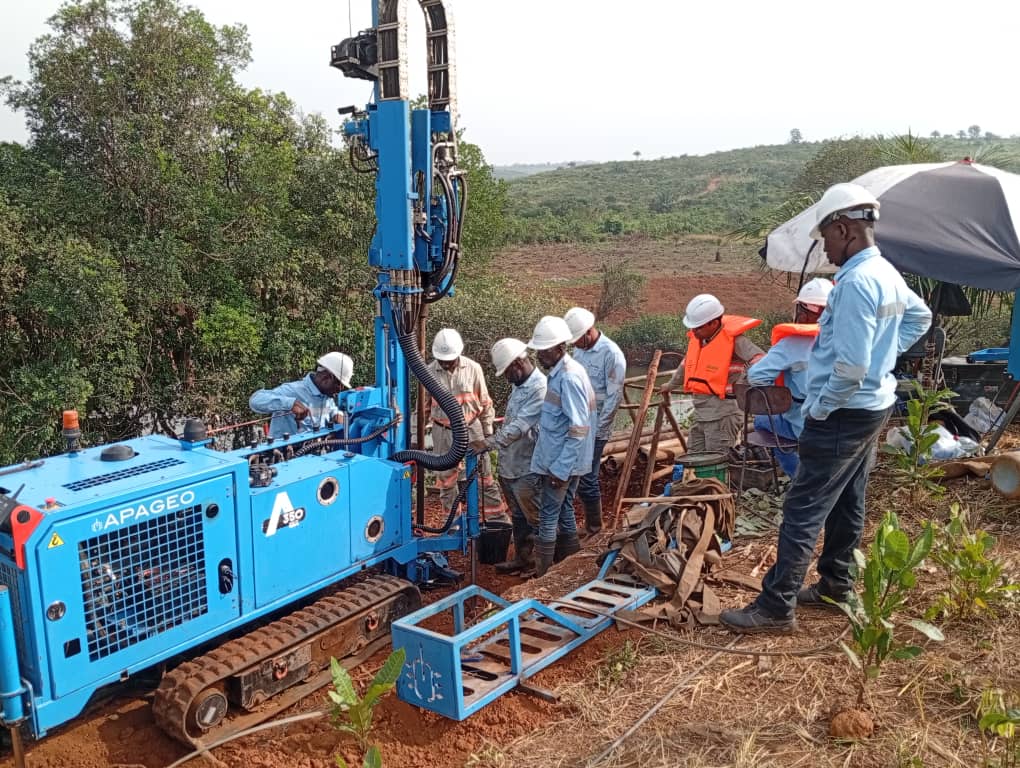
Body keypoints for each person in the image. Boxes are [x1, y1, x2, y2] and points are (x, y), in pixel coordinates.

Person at [720, 183, 932, 634]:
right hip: (872, 406)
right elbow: (920, 317)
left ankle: (775, 607)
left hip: (842, 412)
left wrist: (821, 406)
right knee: (848, 499)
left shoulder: (855, 283)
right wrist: (885, 357)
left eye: (826, 239)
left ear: (844, 229)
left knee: (803, 507)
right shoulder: (886, 271)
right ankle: (837, 585)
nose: (826, 251)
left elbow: (851, 367)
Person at [527, 316, 597, 577]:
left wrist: (560, 469)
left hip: (562, 462)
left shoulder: (568, 378)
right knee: (565, 508)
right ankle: (569, 566)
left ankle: (543, 575)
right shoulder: (563, 373)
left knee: (548, 516)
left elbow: (579, 428)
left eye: (544, 351)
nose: (539, 356)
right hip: (563, 459)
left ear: (559, 348)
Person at [746, 277, 834, 477]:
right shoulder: (850, 338)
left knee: (761, 421)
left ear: (802, 312)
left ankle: (797, 475)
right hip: (845, 425)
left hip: (806, 425)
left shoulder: (792, 343)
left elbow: (756, 377)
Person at [473, 338, 547, 573]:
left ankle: (545, 567)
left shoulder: (539, 388)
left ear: (517, 363)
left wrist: (487, 443)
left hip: (527, 466)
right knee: (518, 517)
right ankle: (523, 559)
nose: (506, 377)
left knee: (536, 518)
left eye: (506, 372)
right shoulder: (520, 384)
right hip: (511, 464)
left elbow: (518, 427)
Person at [660, 295, 765, 454]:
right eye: (693, 328)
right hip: (701, 412)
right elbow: (686, 365)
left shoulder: (735, 341)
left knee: (717, 458)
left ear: (714, 323)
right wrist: (670, 385)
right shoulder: (699, 341)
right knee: (694, 456)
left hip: (723, 413)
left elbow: (760, 360)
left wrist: (742, 383)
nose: (694, 331)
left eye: (698, 327)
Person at [428, 328, 507, 520]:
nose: (446, 364)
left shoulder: (473, 368)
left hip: (471, 429)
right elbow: (421, 408)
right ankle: (452, 524)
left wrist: (487, 433)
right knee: (446, 482)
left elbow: (485, 402)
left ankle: (497, 520)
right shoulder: (429, 372)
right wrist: (415, 436)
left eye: (449, 360)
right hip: (443, 433)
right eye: (442, 360)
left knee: (483, 477)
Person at [563, 307, 627, 536]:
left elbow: (614, 397)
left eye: (576, 339)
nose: (574, 344)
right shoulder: (579, 351)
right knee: (575, 472)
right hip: (578, 424)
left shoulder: (612, 354)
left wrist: (599, 432)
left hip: (596, 427)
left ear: (588, 332)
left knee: (588, 477)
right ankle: (587, 524)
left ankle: (595, 527)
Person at [249, 352, 353, 439]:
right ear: (326, 377)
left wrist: (337, 415)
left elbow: (332, 410)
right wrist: (290, 404)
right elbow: (255, 400)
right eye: (339, 385)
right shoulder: (292, 391)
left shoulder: (326, 397)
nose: (339, 390)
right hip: (286, 454)